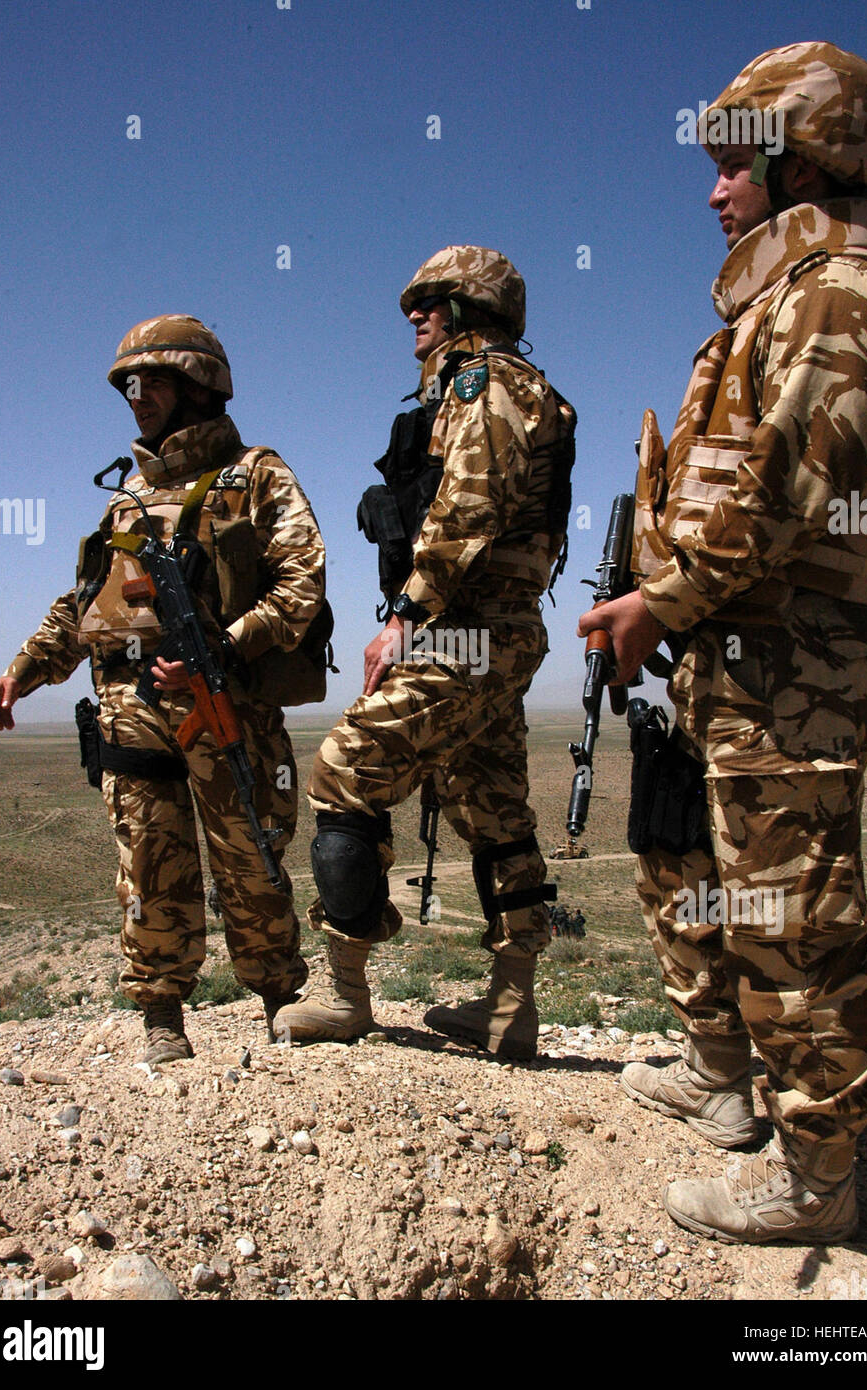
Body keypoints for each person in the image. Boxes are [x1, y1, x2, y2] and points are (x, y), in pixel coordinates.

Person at [580, 41, 867, 1243]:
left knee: (792, 916)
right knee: (719, 886)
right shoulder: (792, 289)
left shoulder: (842, 290)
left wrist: (657, 605)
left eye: (733, 166)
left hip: (797, 658)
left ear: (798, 159)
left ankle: (815, 1181)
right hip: (749, 651)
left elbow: (786, 486)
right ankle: (732, 1086)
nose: (712, 190)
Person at [0, 315, 326, 1063]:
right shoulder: (127, 500)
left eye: (152, 381)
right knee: (147, 859)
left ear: (198, 386)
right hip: (131, 709)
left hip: (222, 703)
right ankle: (162, 1013)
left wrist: (226, 648)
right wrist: (22, 672)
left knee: (249, 854)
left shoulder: (256, 474)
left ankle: (279, 999)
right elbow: (83, 605)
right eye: (128, 385)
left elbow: (303, 583)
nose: (136, 397)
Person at [273, 246, 577, 1060]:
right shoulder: (476, 389)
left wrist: (403, 616)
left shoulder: (490, 384)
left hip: (466, 631)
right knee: (493, 806)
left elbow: (468, 509)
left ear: (470, 310)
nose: (414, 315)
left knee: (344, 768)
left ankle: (345, 996)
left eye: (431, 302)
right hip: (493, 634)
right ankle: (512, 1011)